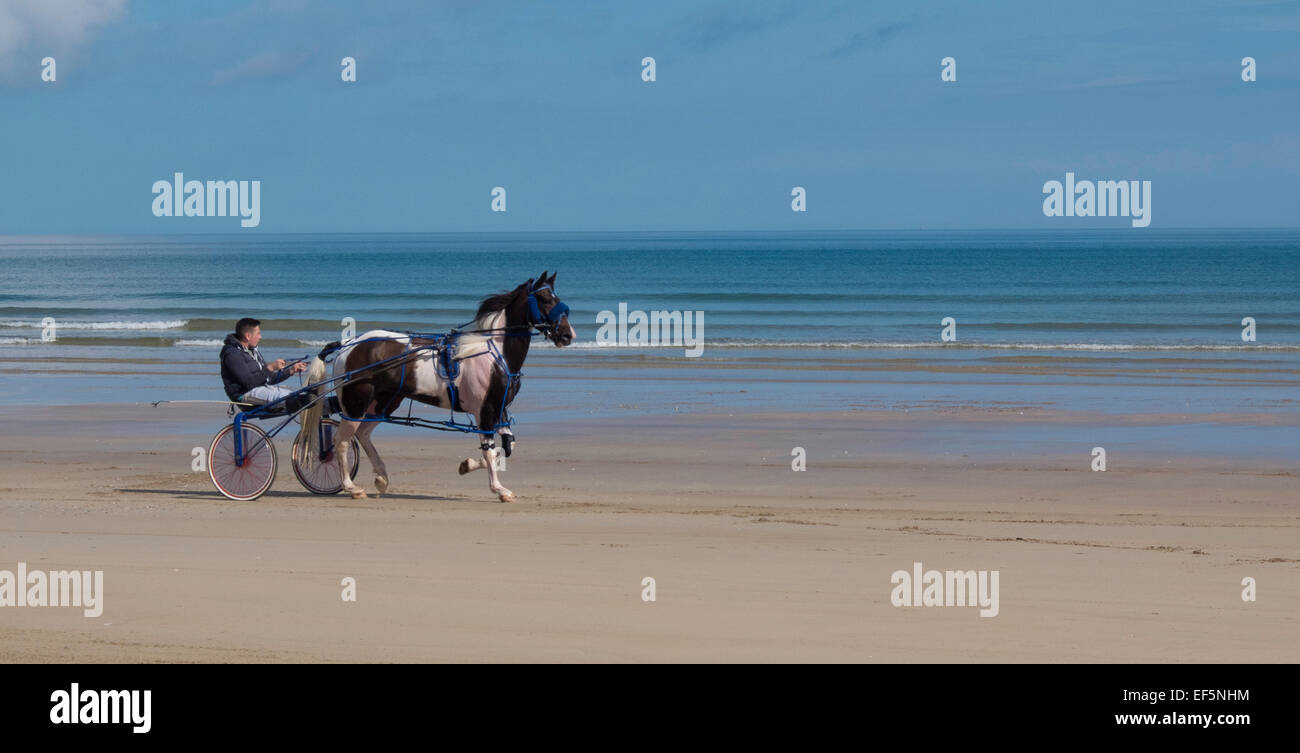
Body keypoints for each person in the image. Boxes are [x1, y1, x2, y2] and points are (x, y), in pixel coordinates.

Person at [220, 317, 308, 408]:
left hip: (261, 389)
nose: (260, 337)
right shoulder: (233, 354)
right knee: (298, 400)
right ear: (248, 336)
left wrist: (292, 370)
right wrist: (271, 368)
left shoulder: (252, 351)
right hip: (244, 393)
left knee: (303, 396)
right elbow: (250, 383)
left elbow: (268, 378)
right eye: (258, 333)